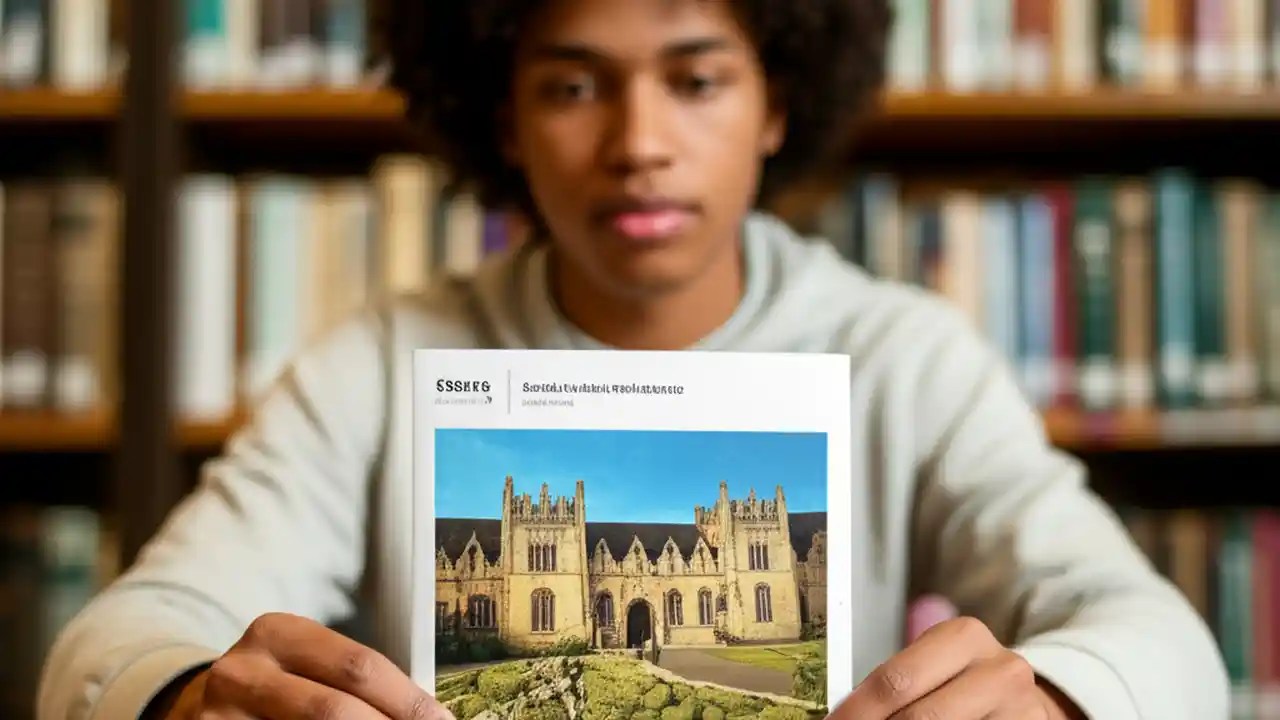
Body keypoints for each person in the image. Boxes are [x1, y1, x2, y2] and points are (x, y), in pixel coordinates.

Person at [39, 0, 1229, 718]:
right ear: (501, 115)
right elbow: (117, 639)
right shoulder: (376, 359)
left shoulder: (903, 354)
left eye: (696, 77)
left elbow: (1153, 634)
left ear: (775, 101)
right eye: (571, 85)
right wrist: (190, 693)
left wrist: (1061, 693)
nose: (639, 144)